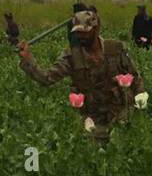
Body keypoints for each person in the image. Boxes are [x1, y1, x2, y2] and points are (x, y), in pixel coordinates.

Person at [16, 9, 143, 144]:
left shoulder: (115, 49)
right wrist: (27, 59)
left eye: (84, 32)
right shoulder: (72, 57)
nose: (80, 36)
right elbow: (47, 78)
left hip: (122, 116)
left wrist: (140, 103)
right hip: (93, 121)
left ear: (96, 28)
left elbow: (135, 77)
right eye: (77, 32)